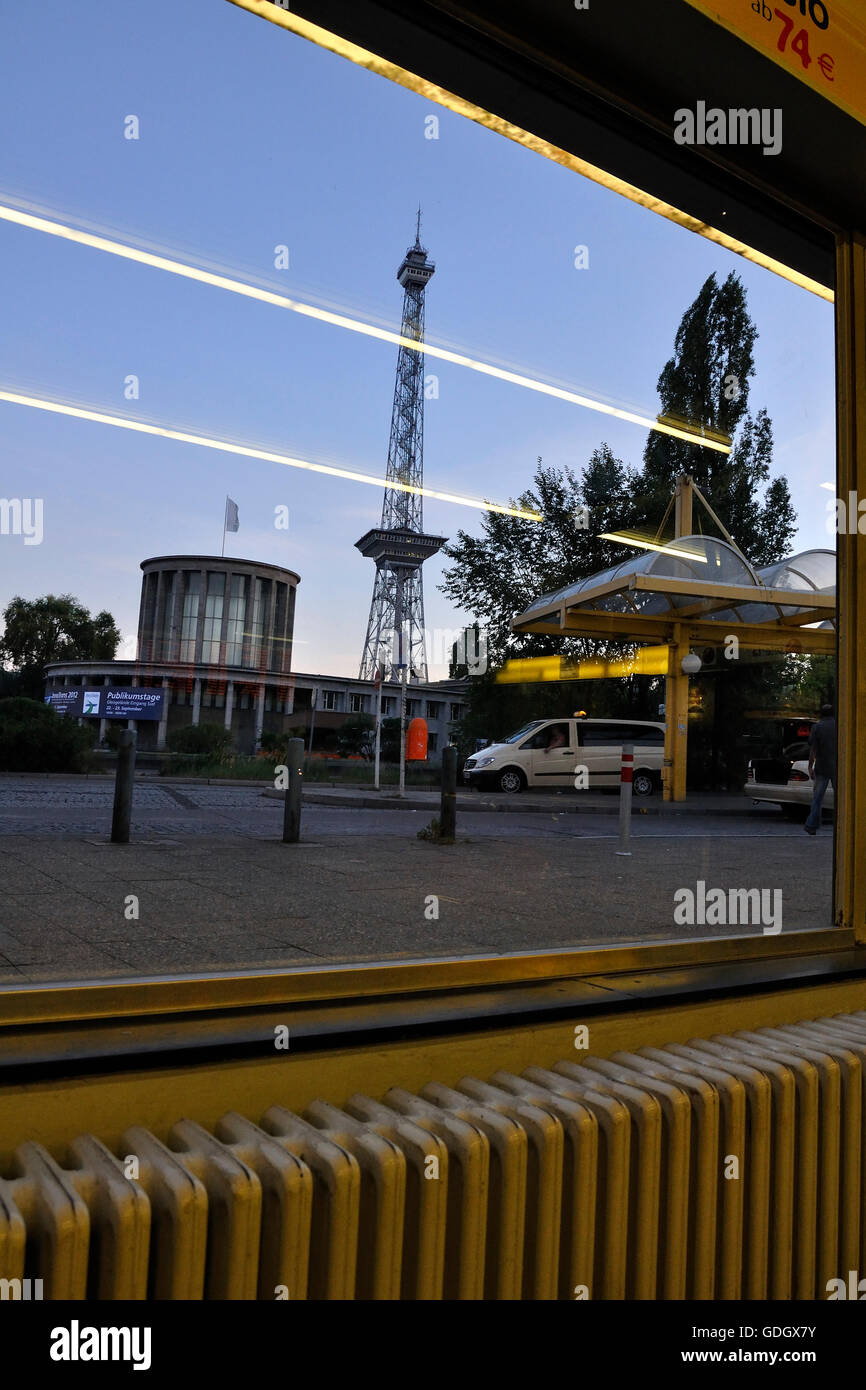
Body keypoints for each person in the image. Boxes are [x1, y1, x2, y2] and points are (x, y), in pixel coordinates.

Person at [804, 703, 836, 835]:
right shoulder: (839, 726)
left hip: (822, 767)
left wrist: (810, 766)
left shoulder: (817, 727)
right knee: (839, 798)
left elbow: (813, 750)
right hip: (837, 768)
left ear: (821, 714)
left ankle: (812, 825)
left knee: (817, 798)